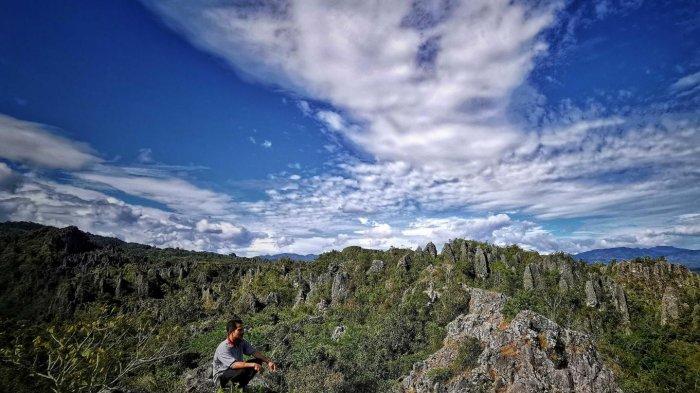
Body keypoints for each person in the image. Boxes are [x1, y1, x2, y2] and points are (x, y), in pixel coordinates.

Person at [212, 317, 277, 390]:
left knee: (258, 361)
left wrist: (268, 361)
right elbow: (233, 365)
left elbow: (254, 352)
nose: (243, 332)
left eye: (242, 329)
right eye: (239, 330)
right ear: (231, 332)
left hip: (234, 373)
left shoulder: (241, 342)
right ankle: (232, 387)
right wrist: (252, 365)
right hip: (221, 378)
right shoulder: (223, 347)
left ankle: (241, 386)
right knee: (246, 367)